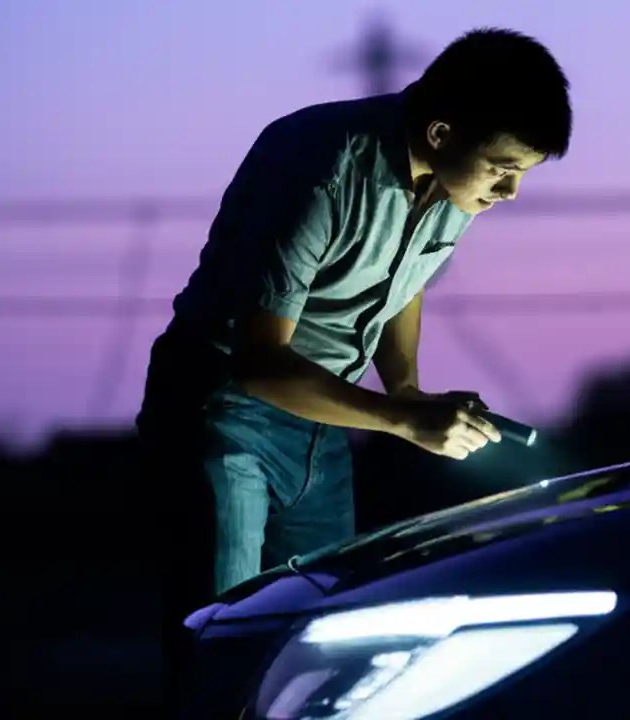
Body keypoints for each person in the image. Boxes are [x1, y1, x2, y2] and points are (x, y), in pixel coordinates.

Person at [134, 26, 572, 703]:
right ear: (439, 132)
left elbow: (408, 280)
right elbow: (258, 363)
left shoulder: (454, 185)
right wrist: (400, 419)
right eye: (502, 167)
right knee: (222, 640)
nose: (511, 191)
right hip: (222, 406)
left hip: (322, 419)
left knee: (317, 642)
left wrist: (407, 389)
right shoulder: (321, 161)